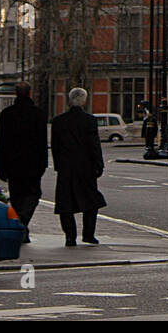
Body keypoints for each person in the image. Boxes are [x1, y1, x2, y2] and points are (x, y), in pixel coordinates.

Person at [50, 87, 106, 247]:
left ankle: (70, 236)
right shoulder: (89, 120)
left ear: (69, 100)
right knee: (91, 201)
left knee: (65, 203)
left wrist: (58, 165)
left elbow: (55, 146)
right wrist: (98, 165)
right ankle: (88, 234)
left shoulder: (58, 121)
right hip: (85, 168)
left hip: (66, 167)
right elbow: (94, 145)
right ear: (84, 101)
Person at [0, 82, 47, 242]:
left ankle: (20, 227)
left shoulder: (7, 114)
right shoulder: (38, 114)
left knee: (16, 197)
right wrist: (43, 164)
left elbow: (1, 142)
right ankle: (22, 222)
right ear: (30, 94)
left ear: (16, 94)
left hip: (12, 165)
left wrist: (1, 166)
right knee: (33, 195)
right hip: (32, 164)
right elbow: (42, 142)